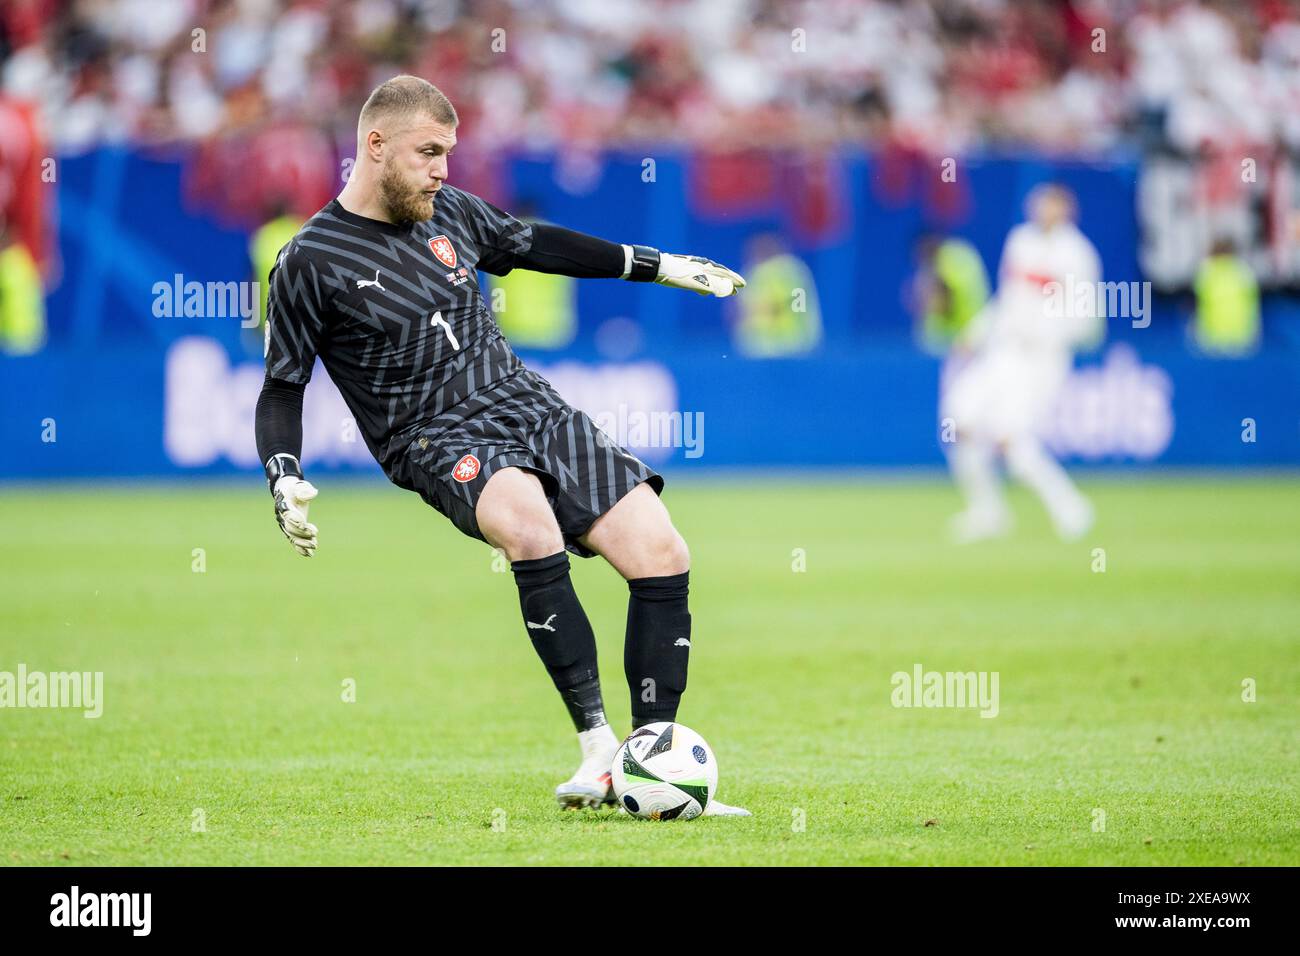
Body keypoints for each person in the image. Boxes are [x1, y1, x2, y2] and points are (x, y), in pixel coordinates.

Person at [253, 76, 749, 815]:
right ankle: (594, 749)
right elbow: (282, 387)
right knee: (527, 523)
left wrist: (658, 264)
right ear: (374, 144)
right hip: (431, 431)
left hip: (526, 402)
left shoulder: (448, 210)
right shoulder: (307, 262)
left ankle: (650, 764)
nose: (442, 170)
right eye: (428, 152)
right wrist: (281, 471)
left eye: (448, 153)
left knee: (662, 550)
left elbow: (535, 244)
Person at [941, 184, 1100, 543]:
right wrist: (976, 332)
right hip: (1003, 352)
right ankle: (987, 512)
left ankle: (1071, 508)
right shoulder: (1021, 242)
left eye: (1051, 204)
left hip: (1041, 359)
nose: (1043, 210)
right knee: (959, 419)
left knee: (1012, 442)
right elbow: (1008, 298)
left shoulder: (1077, 254)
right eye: (1039, 203)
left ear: (1066, 210)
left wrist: (1046, 333)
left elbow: (1087, 318)